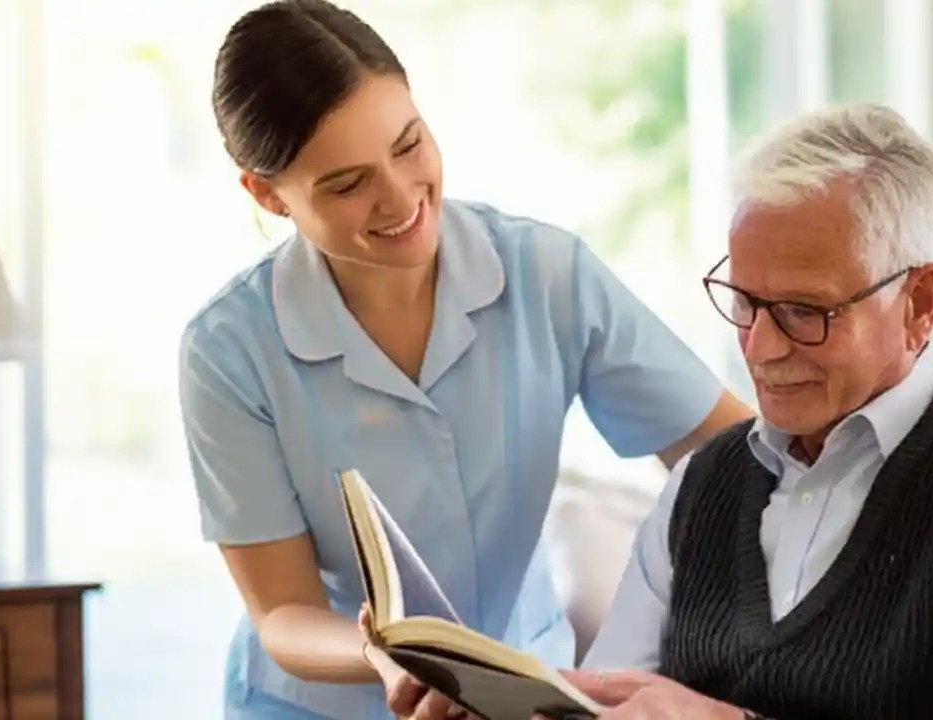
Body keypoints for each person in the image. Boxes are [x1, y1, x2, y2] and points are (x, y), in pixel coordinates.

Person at [178, 1, 751, 718]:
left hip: (525, 686)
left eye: (409, 143)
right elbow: (283, 614)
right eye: (347, 184)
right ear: (267, 193)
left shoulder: (546, 275)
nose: (399, 197)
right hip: (321, 701)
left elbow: (731, 457)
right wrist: (383, 656)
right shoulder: (229, 350)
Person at [575, 103, 933, 719]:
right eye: (746, 303)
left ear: (920, 302)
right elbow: (601, 703)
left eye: (805, 311)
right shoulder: (700, 484)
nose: (760, 347)